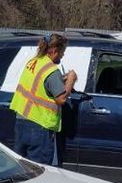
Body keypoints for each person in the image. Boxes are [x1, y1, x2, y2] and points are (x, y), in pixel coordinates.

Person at [9, 33, 77, 166]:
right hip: (39, 127)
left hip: (21, 122)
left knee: (22, 168)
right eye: (62, 52)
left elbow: (39, 84)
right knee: (38, 170)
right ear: (55, 51)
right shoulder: (51, 70)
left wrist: (59, 80)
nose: (62, 55)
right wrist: (71, 80)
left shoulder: (33, 62)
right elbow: (61, 99)